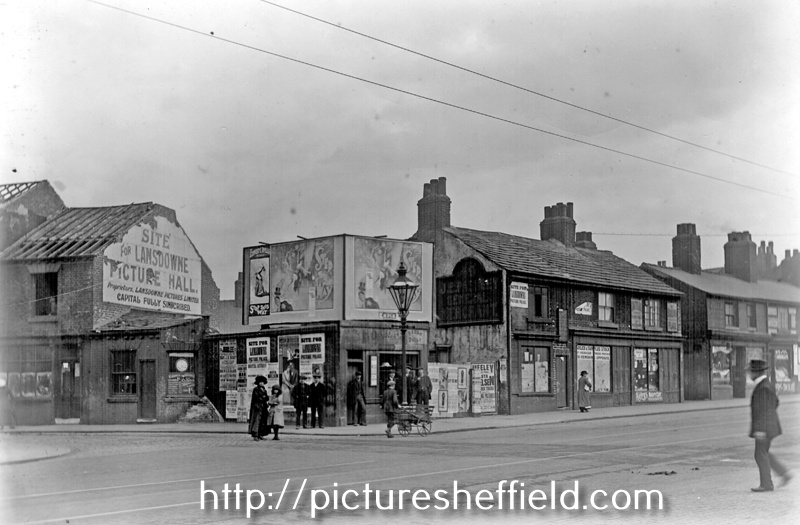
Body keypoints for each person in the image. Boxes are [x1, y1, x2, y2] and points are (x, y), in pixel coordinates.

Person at [748, 359, 791, 492]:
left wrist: (760, 429)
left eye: (751, 371)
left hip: (764, 428)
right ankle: (783, 474)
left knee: (760, 454)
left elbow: (763, 410)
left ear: (756, 372)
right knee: (763, 452)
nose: (749, 374)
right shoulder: (766, 384)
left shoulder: (763, 387)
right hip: (769, 426)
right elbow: (775, 403)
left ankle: (766, 484)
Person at [248, 375, 268, 441]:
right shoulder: (256, 389)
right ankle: (255, 435)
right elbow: (257, 398)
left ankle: (260, 434)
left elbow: (267, 397)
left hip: (263, 407)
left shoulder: (264, 389)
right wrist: (263, 398)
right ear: (258, 383)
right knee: (256, 421)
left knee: (262, 421)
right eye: (260, 382)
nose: (261, 383)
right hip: (257, 407)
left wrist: (264, 398)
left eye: (262, 382)